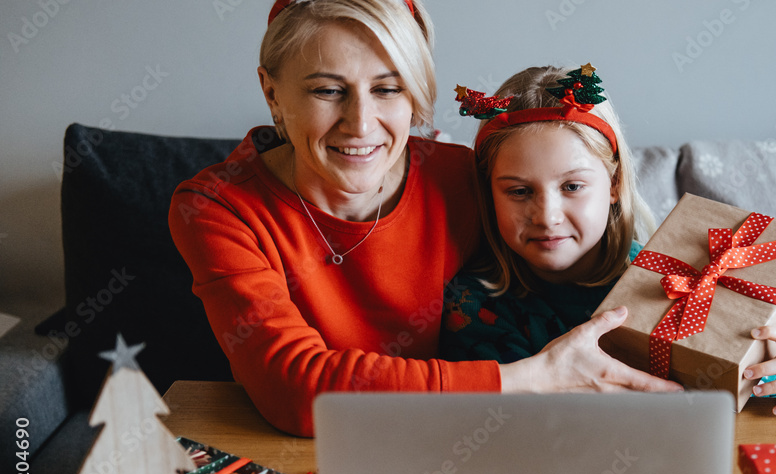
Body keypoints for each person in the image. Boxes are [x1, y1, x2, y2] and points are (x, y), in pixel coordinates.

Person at [168, 1, 678, 438]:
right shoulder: (217, 208)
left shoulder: (461, 178)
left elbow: (572, 273)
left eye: (388, 89)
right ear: (272, 92)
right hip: (302, 455)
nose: (361, 123)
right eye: (327, 90)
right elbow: (296, 390)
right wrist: (532, 378)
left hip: (453, 445)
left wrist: (749, 349)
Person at [440, 65, 776, 415]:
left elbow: (754, 375)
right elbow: (472, 419)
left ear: (613, 183)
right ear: (487, 191)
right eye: (519, 191)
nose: (546, 215)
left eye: (572, 187)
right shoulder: (473, 301)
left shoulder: (667, 279)